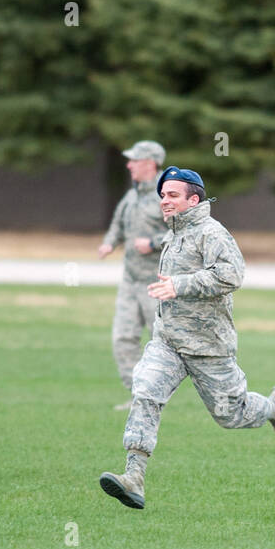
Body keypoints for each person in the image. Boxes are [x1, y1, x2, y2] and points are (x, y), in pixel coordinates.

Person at [98, 166, 275, 509]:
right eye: (162, 195)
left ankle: (274, 408)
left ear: (194, 199)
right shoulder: (174, 233)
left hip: (208, 348)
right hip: (168, 343)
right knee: (145, 390)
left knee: (231, 415)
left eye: (172, 195)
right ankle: (134, 476)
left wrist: (180, 284)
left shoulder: (212, 233)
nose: (164, 201)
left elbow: (232, 274)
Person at [99, 140, 169, 409]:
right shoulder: (133, 194)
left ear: (150, 163)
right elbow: (118, 222)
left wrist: (152, 243)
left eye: (134, 160)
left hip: (158, 283)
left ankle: (159, 394)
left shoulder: (168, 195)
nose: (129, 165)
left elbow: (181, 233)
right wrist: (109, 242)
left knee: (161, 343)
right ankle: (139, 395)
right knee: (123, 338)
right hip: (130, 280)